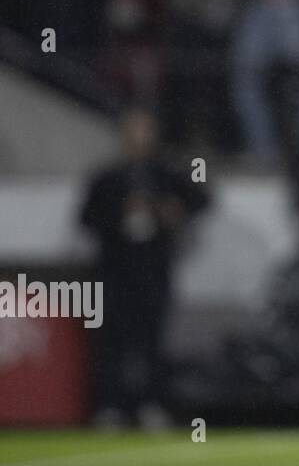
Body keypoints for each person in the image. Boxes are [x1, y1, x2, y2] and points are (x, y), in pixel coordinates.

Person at [79, 108, 210, 428]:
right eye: (134, 131)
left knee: (153, 340)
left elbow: (201, 197)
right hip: (114, 270)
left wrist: (172, 211)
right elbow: (86, 218)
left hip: (154, 270)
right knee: (111, 341)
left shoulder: (166, 175)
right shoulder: (108, 178)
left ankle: (151, 404)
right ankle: (110, 406)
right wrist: (118, 214)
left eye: (145, 131)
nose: (140, 138)